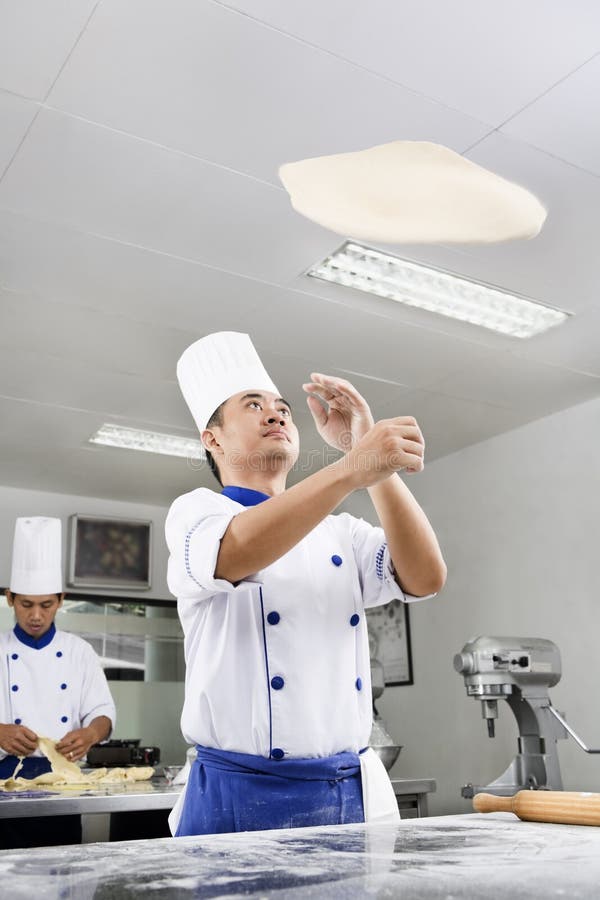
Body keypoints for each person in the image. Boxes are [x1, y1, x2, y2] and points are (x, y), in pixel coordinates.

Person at [166, 331, 446, 836]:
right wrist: (350, 469)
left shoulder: (341, 532)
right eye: (253, 406)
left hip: (344, 793)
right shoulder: (197, 513)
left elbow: (426, 577)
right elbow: (239, 550)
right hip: (236, 796)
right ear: (213, 439)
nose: (276, 415)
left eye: (284, 408)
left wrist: (371, 462)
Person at [0, 517, 116, 847]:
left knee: (62, 878)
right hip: (4, 784)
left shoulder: (80, 652)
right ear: (10, 598)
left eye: (46, 604)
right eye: (26, 604)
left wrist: (91, 734)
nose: (36, 615)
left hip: (63, 785)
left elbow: (103, 713)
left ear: (61, 600)